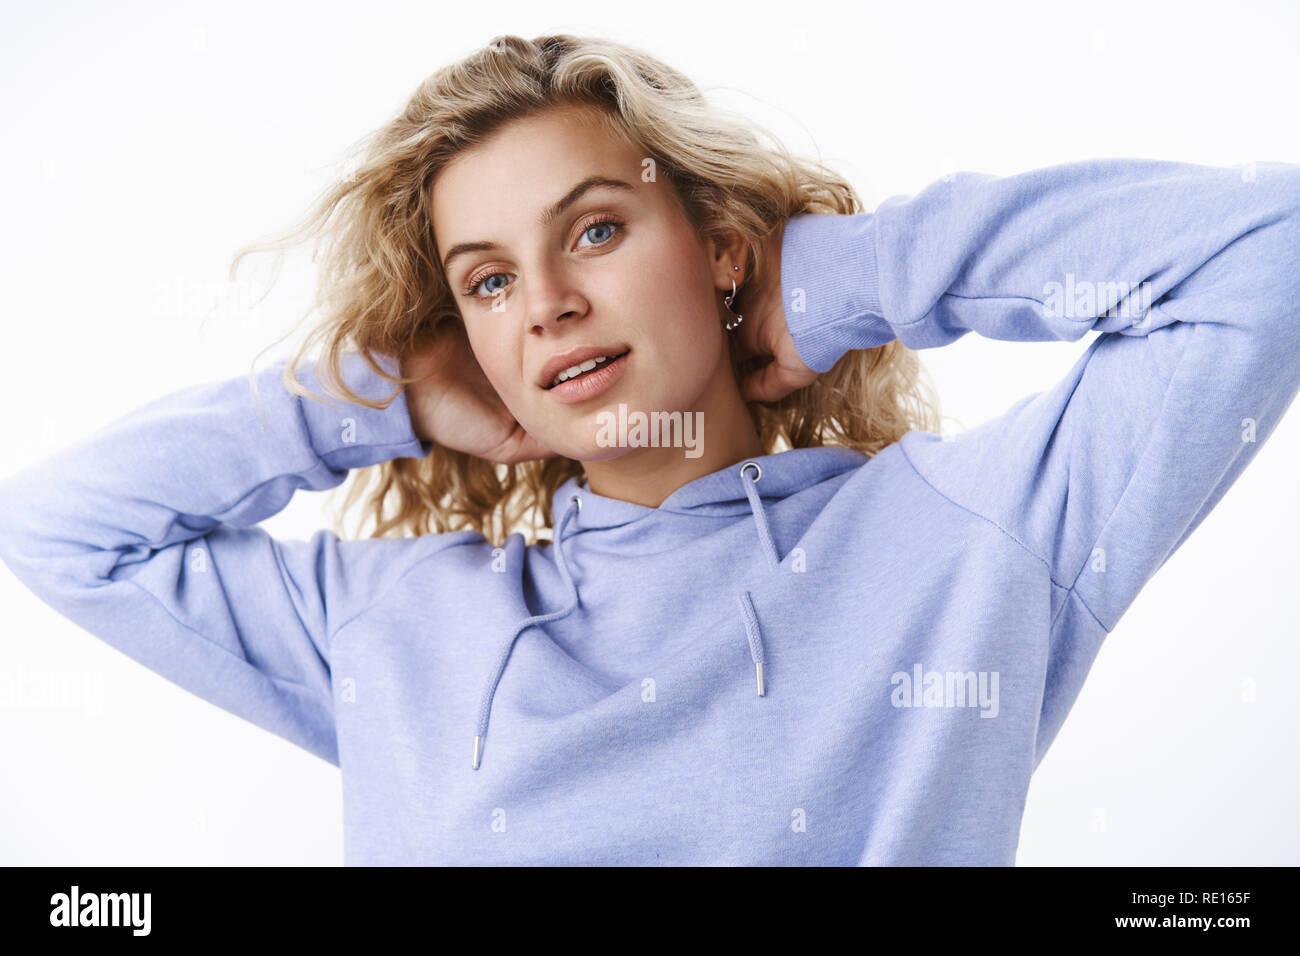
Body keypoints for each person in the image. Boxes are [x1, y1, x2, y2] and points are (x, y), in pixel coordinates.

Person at [1, 33, 1298, 866]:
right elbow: (57, 527)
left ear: (718, 247)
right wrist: (381, 400)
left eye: (598, 230)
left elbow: (1266, 251)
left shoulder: (973, 537)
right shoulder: (393, 624)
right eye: (489, 283)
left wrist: (843, 274)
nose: (550, 301)